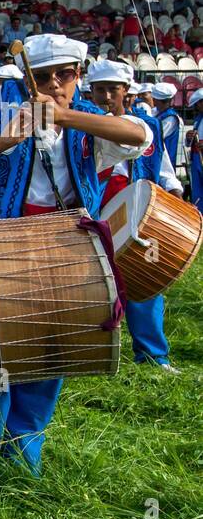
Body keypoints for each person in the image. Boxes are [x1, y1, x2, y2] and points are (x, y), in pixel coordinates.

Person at [0, 35, 153, 474]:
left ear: (78, 76)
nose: (55, 84)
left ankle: (23, 459)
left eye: (65, 75)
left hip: (68, 249)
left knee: (49, 350)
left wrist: (67, 117)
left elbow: (140, 135)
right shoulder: (0, 114)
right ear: (27, 81)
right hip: (5, 250)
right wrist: (3, 142)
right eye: (43, 77)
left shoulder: (90, 120)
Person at [87, 62, 183, 372]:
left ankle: (153, 355)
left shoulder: (148, 127)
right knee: (97, 283)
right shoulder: (84, 128)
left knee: (145, 281)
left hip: (141, 212)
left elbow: (162, 162)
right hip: (97, 212)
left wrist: (173, 187)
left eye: (112, 90)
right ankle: (94, 354)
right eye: (99, 90)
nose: (105, 96)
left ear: (126, 91)